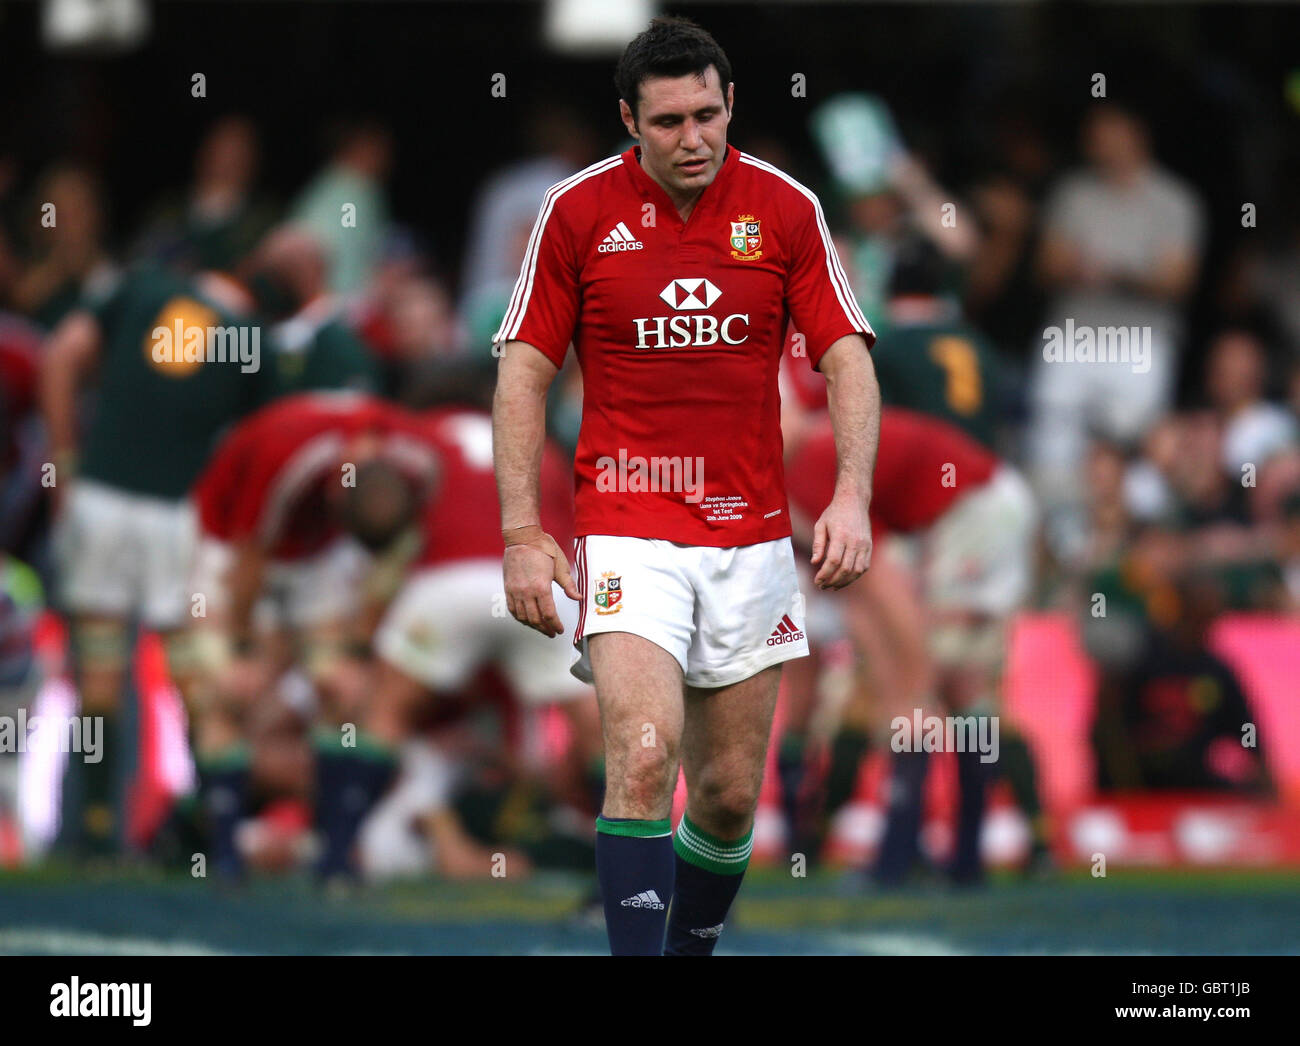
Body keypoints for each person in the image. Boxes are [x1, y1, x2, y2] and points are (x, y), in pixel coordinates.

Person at [492, 17, 879, 955]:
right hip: (626, 522)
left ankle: (688, 949)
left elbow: (848, 359)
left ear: (731, 104)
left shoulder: (785, 208)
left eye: (707, 114)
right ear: (628, 119)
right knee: (644, 755)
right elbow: (523, 372)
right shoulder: (577, 212)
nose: (693, 137)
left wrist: (852, 496)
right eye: (667, 122)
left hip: (749, 535)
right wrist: (521, 531)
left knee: (730, 792)